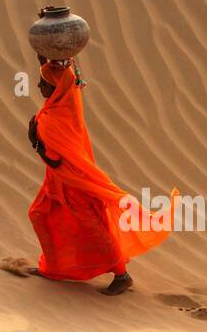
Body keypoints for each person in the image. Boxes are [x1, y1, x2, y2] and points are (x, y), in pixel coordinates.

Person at [26, 57, 172, 294]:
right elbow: (64, 75)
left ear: (56, 88)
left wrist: (35, 142)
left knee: (95, 228)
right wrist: (45, 53)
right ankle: (52, 267)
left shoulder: (54, 117)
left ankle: (122, 274)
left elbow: (55, 159)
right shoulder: (67, 99)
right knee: (38, 215)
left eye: (43, 83)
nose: (38, 87)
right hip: (56, 181)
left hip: (75, 183)